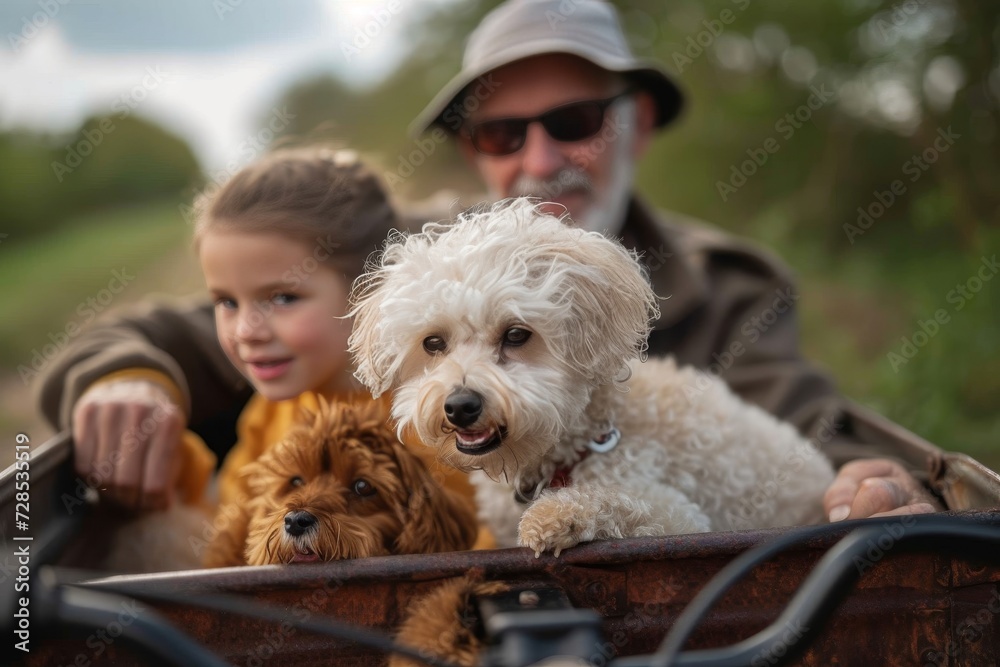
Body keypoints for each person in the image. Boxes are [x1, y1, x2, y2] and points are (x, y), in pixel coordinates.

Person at [39, 1, 942, 522]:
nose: (540, 159)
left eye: (575, 123)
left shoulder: (725, 276)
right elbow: (214, 322)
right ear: (475, 148)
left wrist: (865, 473)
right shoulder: (411, 257)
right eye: (505, 131)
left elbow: (811, 417)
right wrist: (129, 375)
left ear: (639, 121)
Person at [43, 146, 478, 525]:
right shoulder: (269, 415)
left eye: (283, 298)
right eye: (226, 302)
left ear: (372, 288)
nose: (246, 332)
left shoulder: (425, 413)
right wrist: (172, 462)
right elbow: (231, 524)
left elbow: (467, 534)